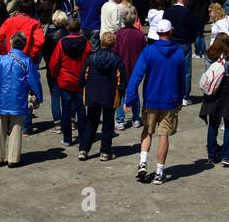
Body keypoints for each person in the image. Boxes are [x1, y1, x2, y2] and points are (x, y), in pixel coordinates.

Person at [123, 19, 186, 184]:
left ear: (158, 33)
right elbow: (182, 79)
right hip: (170, 100)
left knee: (147, 131)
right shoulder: (178, 52)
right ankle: (159, 172)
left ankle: (143, 162)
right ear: (170, 32)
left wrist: (129, 97)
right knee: (164, 135)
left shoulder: (149, 51)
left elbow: (137, 75)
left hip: (151, 99)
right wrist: (180, 97)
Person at [0, 32, 43, 167]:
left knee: (0, 129)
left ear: (11, 43)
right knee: (16, 129)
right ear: (24, 45)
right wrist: (38, 97)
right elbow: (34, 81)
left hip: (1, 98)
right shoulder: (26, 60)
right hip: (18, 98)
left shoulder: (1, 59)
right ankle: (13, 158)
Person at [79, 31, 125, 161]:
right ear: (113, 44)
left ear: (101, 42)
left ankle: (83, 149)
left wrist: (84, 88)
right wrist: (121, 93)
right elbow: (122, 81)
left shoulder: (91, 58)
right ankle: (105, 152)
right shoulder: (117, 60)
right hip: (110, 95)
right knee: (108, 123)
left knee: (91, 123)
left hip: (93, 94)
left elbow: (83, 76)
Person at [198, 36, 229, 166]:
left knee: (213, 124)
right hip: (226, 92)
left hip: (211, 93)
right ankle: (226, 156)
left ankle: (211, 155)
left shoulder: (208, 55)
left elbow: (206, 72)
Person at [51, 16, 91, 147]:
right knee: (81, 110)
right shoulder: (86, 43)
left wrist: (55, 76)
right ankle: (82, 137)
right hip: (80, 81)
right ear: (79, 28)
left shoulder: (61, 43)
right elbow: (90, 62)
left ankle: (67, 138)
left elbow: (54, 63)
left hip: (65, 81)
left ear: (68, 28)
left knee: (66, 110)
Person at [114, 11, 147, 131]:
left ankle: (120, 120)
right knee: (134, 93)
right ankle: (136, 118)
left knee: (120, 92)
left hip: (121, 67)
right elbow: (144, 52)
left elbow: (115, 51)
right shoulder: (139, 35)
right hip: (136, 67)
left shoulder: (118, 34)